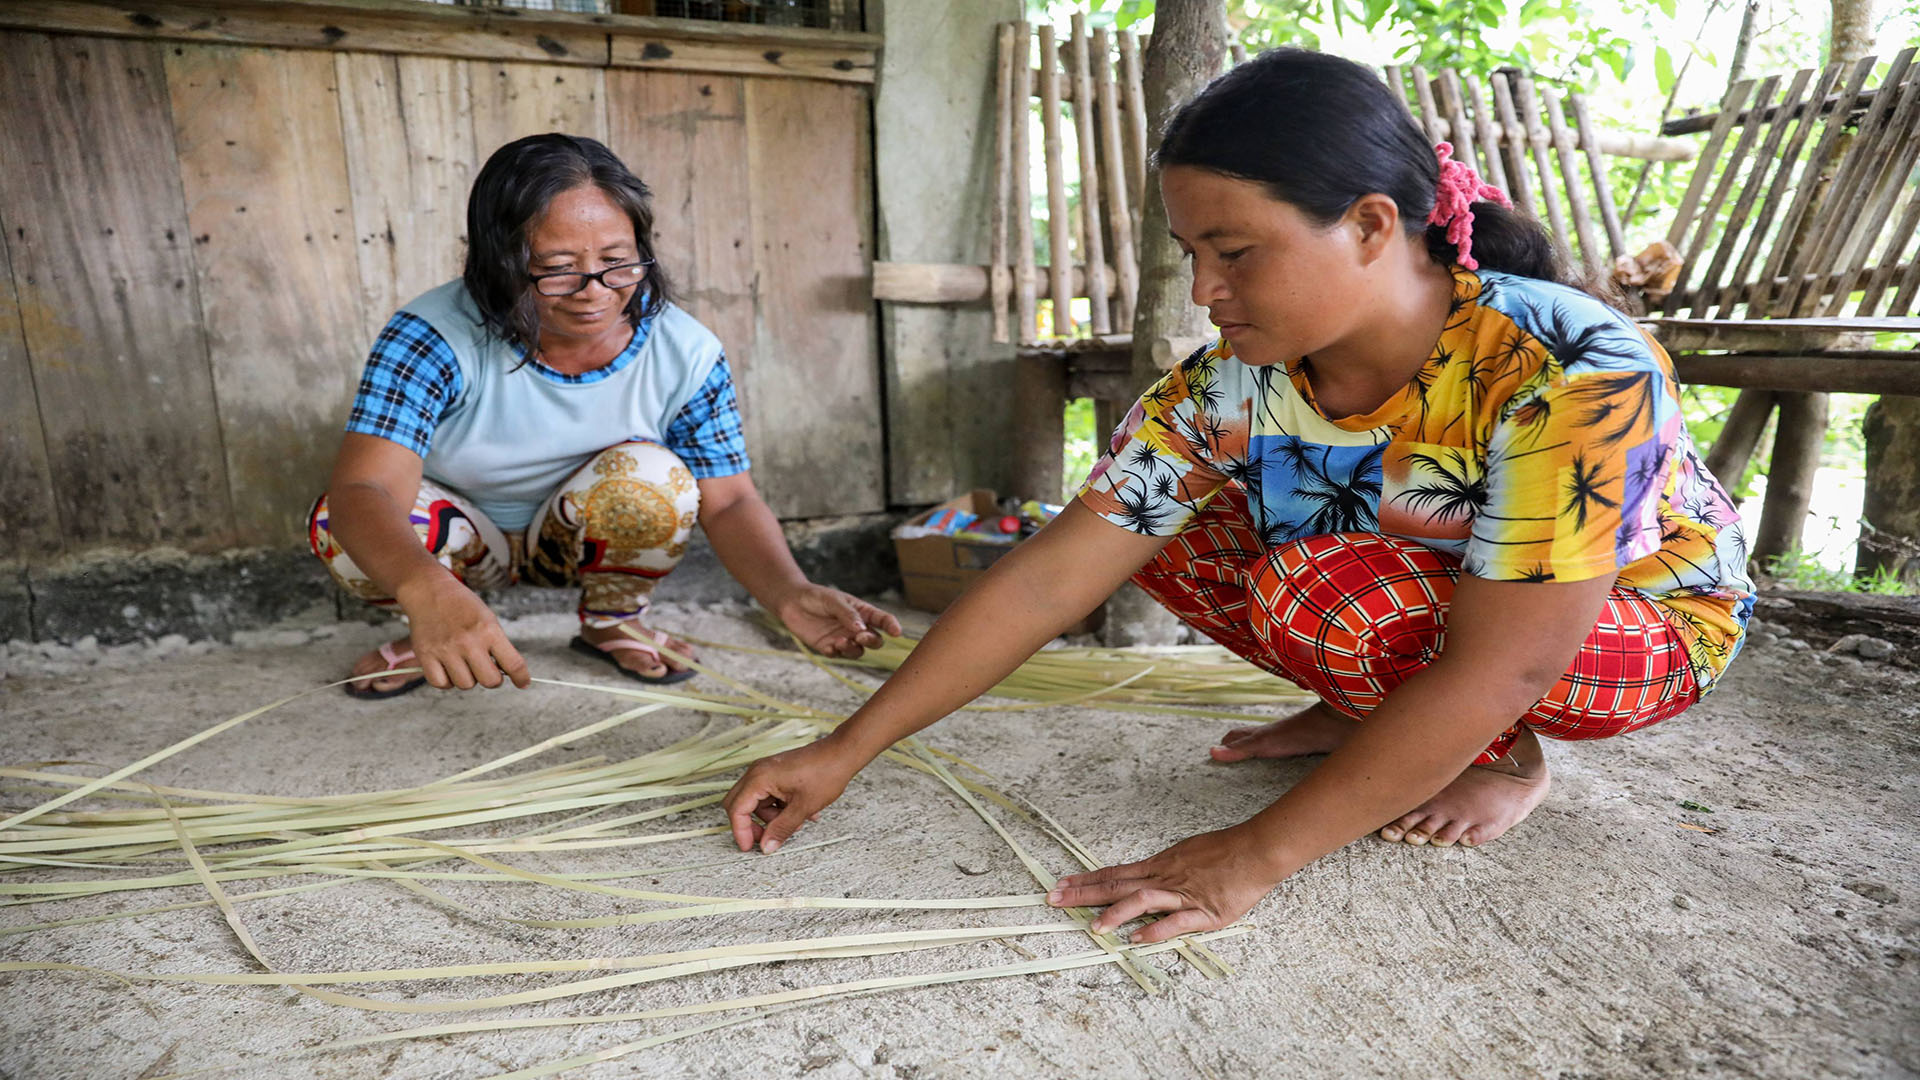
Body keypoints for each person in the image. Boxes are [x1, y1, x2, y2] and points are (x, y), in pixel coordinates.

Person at [722, 50, 1753, 943]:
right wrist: (846, 749)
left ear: (1369, 225)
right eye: (1192, 254)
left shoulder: (1568, 368)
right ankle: (1378, 717)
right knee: (1152, 525)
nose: (1204, 291)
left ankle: (1503, 761)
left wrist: (1252, 857)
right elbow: (1048, 580)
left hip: (1639, 624)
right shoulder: (1233, 383)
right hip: (1432, 572)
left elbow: (1509, 659)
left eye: (1235, 252)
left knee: (1326, 596)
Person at [311, 133, 898, 698]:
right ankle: (438, 623)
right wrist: (425, 590)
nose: (594, 290)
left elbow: (730, 501)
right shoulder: (431, 336)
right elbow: (365, 488)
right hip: (455, 542)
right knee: (341, 520)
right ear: (498, 261)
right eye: (558, 267)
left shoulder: (685, 352)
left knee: (655, 477)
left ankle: (612, 621)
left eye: (617, 260)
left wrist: (788, 592)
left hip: (576, 542)